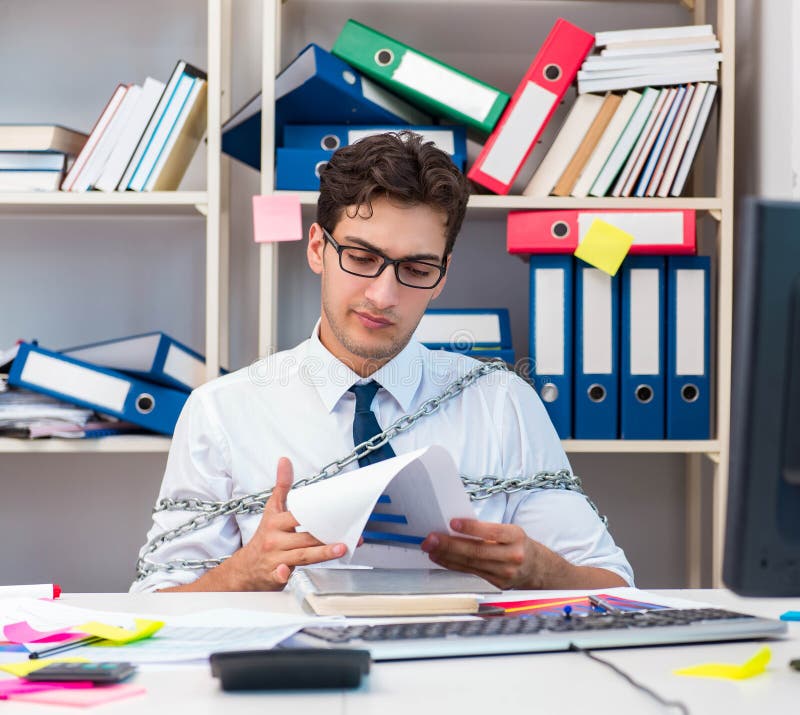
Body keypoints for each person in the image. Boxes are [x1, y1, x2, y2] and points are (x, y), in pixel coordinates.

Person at [131, 131, 633, 593]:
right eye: (362, 258)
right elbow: (155, 604)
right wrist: (245, 571)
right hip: (301, 679)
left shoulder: (503, 403)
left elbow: (616, 586)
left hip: (468, 676)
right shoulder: (221, 411)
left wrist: (542, 572)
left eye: (416, 268)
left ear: (441, 277)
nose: (383, 294)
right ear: (316, 248)